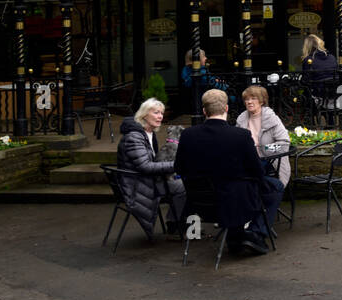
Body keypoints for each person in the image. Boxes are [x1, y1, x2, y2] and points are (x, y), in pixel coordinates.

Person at [174, 88, 277, 255]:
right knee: (276, 186)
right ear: (226, 108)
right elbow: (257, 171)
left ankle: (240, 235)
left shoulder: (187, 135)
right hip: (236, 203)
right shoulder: (241, 135)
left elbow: (179, 168)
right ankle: (255, 234)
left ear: (204, 111)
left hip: (200, 204)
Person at [115, 98, 188, 237]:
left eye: (161, 113)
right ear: (144, 115)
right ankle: (176, 224)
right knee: (185, 187)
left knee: (187, 183)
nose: (160, 116)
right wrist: (176, 165)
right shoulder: (134, 137)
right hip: (137, 186)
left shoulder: (148, 133)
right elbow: (146, 166)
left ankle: (178, 223)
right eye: (156, 112)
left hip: (147, 181)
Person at [236, 84, 292, 190]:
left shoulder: (272, 119)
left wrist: (263, 149)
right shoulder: (241, 119)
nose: (249, 102)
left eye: (253, 98)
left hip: (269, 160)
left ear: (261, 101)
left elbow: (284, 144)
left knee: (248, 172)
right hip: (248, 159)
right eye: (247, 99)